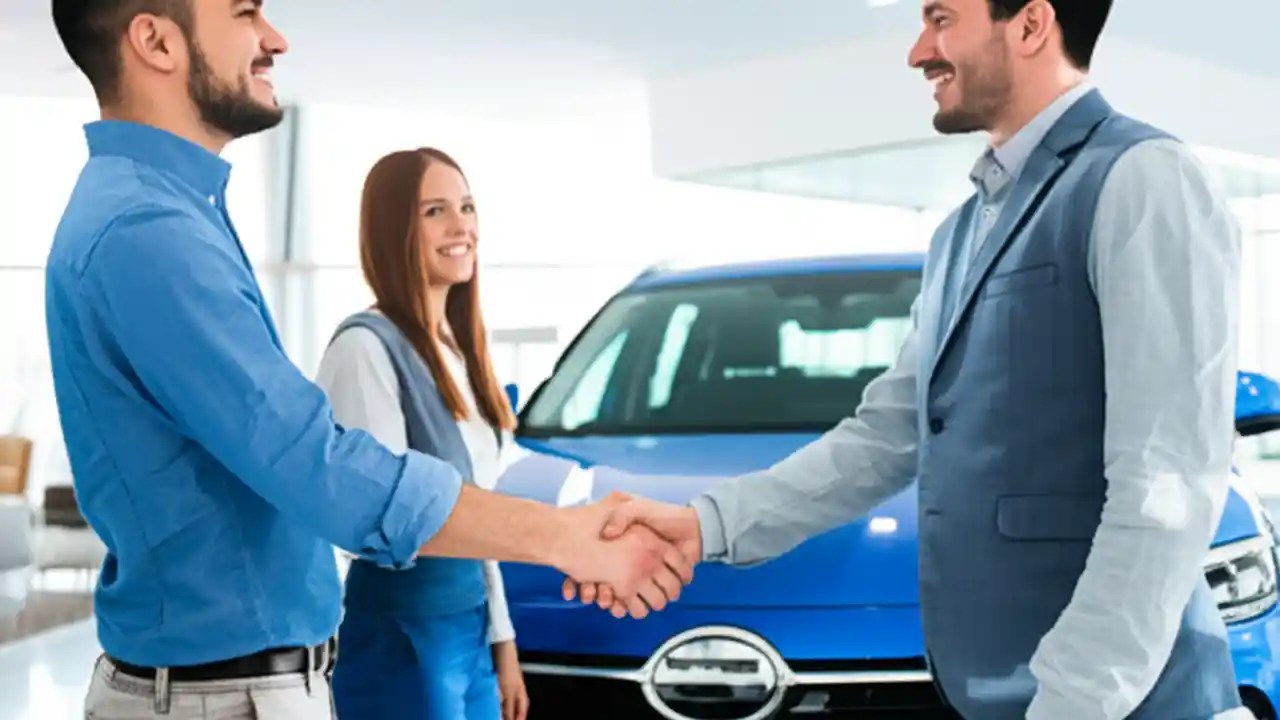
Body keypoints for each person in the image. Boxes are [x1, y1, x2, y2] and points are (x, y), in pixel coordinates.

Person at [569, 1, 1252, 718]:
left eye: (940, 18)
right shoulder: (959, 232)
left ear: (1029, 25)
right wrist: (705, 523)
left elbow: (1165, 487)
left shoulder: (1145, 178)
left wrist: (1073, 703)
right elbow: (885, 437)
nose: (918, 51)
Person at [45, 2, 689, 718]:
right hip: (223, 696)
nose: (274, 39)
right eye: (245, 13)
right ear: (156, 40)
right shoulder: (148, 232)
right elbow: (317, 465)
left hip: (240, 685)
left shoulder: (171, 213)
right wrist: (565, 537)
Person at [313, 147, 528, 720]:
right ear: (394, 230)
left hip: (470, 627)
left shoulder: (460, 353)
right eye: (435, 210)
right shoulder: (365, 348)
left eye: (467, 206)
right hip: (403, 636)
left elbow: (479, 513)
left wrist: (502, 642)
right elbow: (378, 521)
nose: (462, 226)